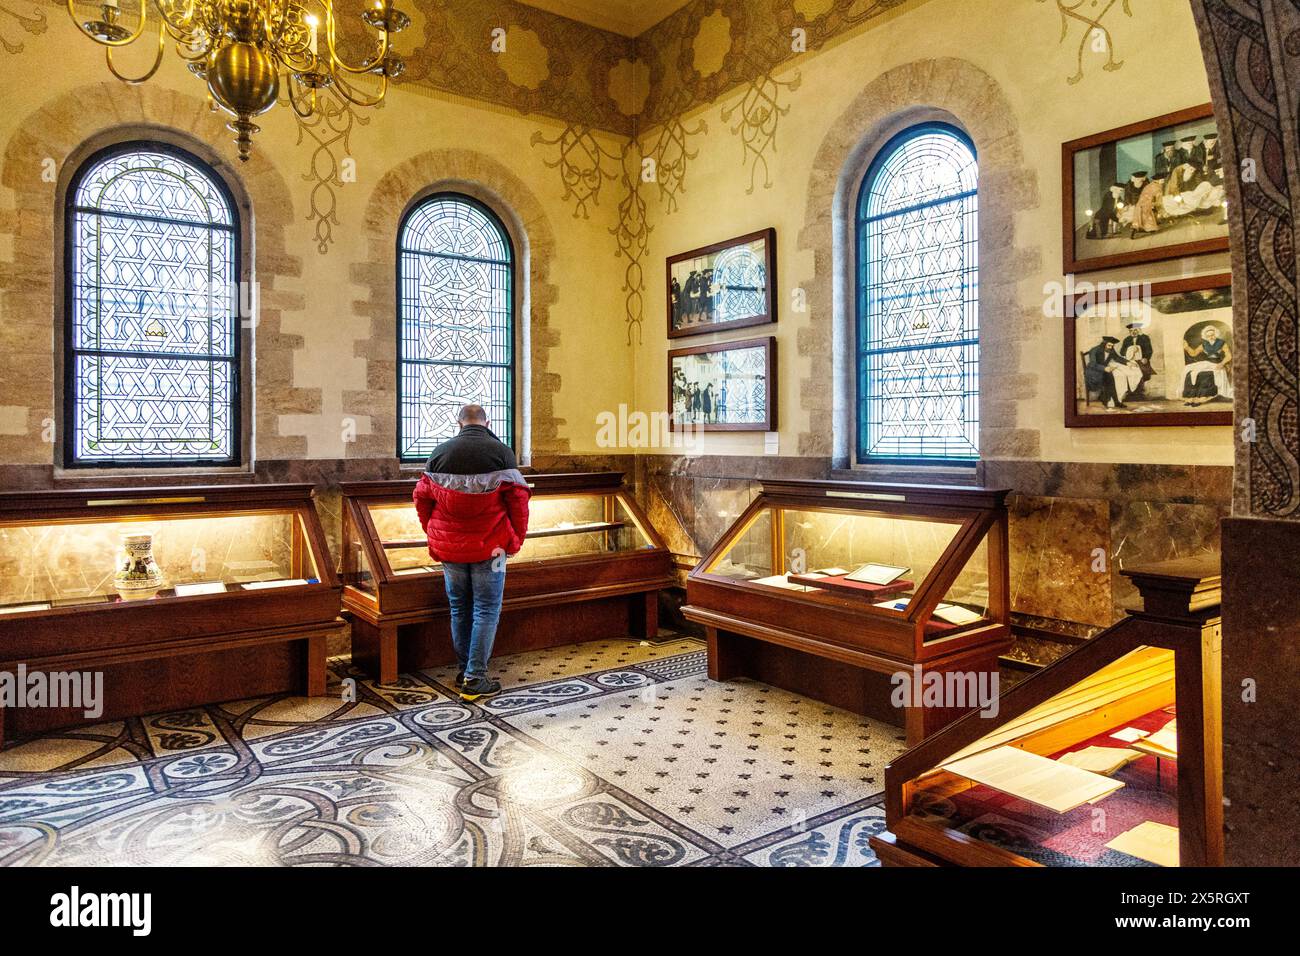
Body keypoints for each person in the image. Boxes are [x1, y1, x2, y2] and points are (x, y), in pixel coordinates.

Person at [413, 404, 530, 701]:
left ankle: (465, 669)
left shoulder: (439, 453)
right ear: (486, 422)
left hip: (450, 547)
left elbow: (422, 499)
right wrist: (515, 541)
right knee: (486, 609)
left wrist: (434, 533)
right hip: (492, 547)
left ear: (458, 423)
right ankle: (475, 677)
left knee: (459, 607)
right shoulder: (501, 453)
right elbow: (518, 502)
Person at [1182, 326, 1232, 406]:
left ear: (1216, 334)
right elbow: (1194, 353)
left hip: (1217, 364)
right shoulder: (1204, 344)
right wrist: (1187, 347)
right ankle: (1190, 398)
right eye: (1208, 336)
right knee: (1190, 374)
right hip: (1207, 364)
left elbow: (1229, 356)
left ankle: (1200, 399)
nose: (1211, 337)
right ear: (1205, 337)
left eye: (1212, 335)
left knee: (1205, 375)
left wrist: (1222, 364)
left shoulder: (1221, 343)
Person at [1084, 336, 1134, 409]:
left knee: (1112, 376)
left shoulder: (1111, 350)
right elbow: (1092, 364)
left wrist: (1127, 362)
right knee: (1109, 377)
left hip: (1103, 371)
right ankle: (1106, 400)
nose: (1110, 347)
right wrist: (1104, 368)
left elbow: (1117, 358)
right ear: (1104, 344)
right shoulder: (1095, 350)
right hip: (1093, 372)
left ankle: (1115, 401)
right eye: (1109, 345)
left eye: (1112, 346)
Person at [1119, 322, 1155, 395]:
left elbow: (1149, 350)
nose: (1133, 332)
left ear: (1138, 330)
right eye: (1131, 331)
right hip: (1130, 361)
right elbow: (1122, 352)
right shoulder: (1127, 340)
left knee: (1141, 372)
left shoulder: (1144, 338)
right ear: (1129, 331)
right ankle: (1130, 392)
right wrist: (1131, 350)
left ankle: (1139, 392)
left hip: (1142, 360)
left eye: (1135, 330)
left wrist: (1146, 358)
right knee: (1127, 372)